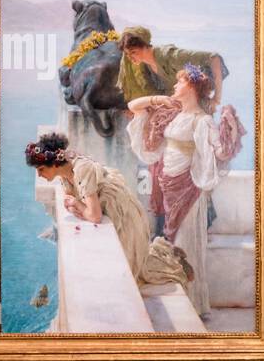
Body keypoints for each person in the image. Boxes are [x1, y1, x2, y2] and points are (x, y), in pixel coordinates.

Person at [126, 65, 236, 319]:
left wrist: (228, 130)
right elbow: (134, 106)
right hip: (167, 184)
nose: (174, 87)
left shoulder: (203, 120)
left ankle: (193, 302)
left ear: (192, 87)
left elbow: (219, 153)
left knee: (186, 244)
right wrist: (156, 99)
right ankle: (181, 296)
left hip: (188, 188)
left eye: (179, 83)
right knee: (172, 241)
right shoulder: (174, 112)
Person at [25, 132, 151, 281]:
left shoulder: (81, 169)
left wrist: (78, 205)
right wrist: (78, 206)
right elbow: (71, 204)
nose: (39, 175)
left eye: (41, 169)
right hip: (109, 210)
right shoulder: (64, 175)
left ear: (53, 163)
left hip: (123, 215)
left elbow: (94, 216)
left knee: (122, 274)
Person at [118, 25, 227, 105]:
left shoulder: (171, 56)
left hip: (195, 107)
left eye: (133, 52)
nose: (130, 58)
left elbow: (214, 58)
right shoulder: (144, 67)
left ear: (145, 45)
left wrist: (216, 99)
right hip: (174, 108)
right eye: (127, 54)